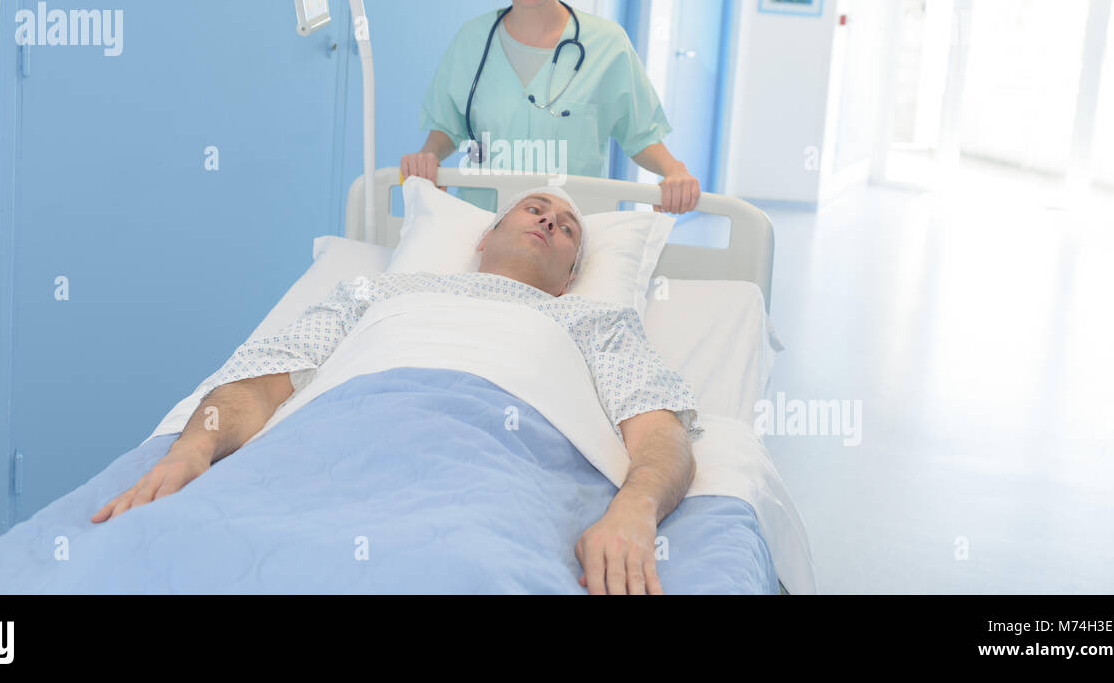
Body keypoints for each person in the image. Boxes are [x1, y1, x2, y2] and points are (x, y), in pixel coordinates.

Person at [92, 188, 700, 595]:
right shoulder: (375, 294)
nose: (549, 221)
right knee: (168, 547)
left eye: (568, 229)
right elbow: (264, 380)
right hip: (330, 442)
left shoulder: (594, 323)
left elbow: (659, 434)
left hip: (496, 464)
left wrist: (633, 510)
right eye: (534, 210)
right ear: (484, 237)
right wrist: (191, 450)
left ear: (571, 279)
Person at [401, 0, 700, 214]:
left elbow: (641, 134)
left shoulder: (607, 44)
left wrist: (675, 170)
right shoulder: (472, 41)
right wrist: (428, 156)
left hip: (568, 240)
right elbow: (447, 125)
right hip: (485, 233)